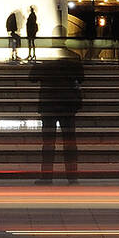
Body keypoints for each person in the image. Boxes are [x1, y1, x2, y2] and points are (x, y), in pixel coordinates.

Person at [30, 49, 83, 184]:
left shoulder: (44, 66)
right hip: (67, 107)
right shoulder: (73, 65)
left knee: (48, 143)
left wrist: (37, 64)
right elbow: (81, 79)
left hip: (49, 107)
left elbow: (31, 78)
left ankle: (47, 176)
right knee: (70, 142)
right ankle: (72, 177)